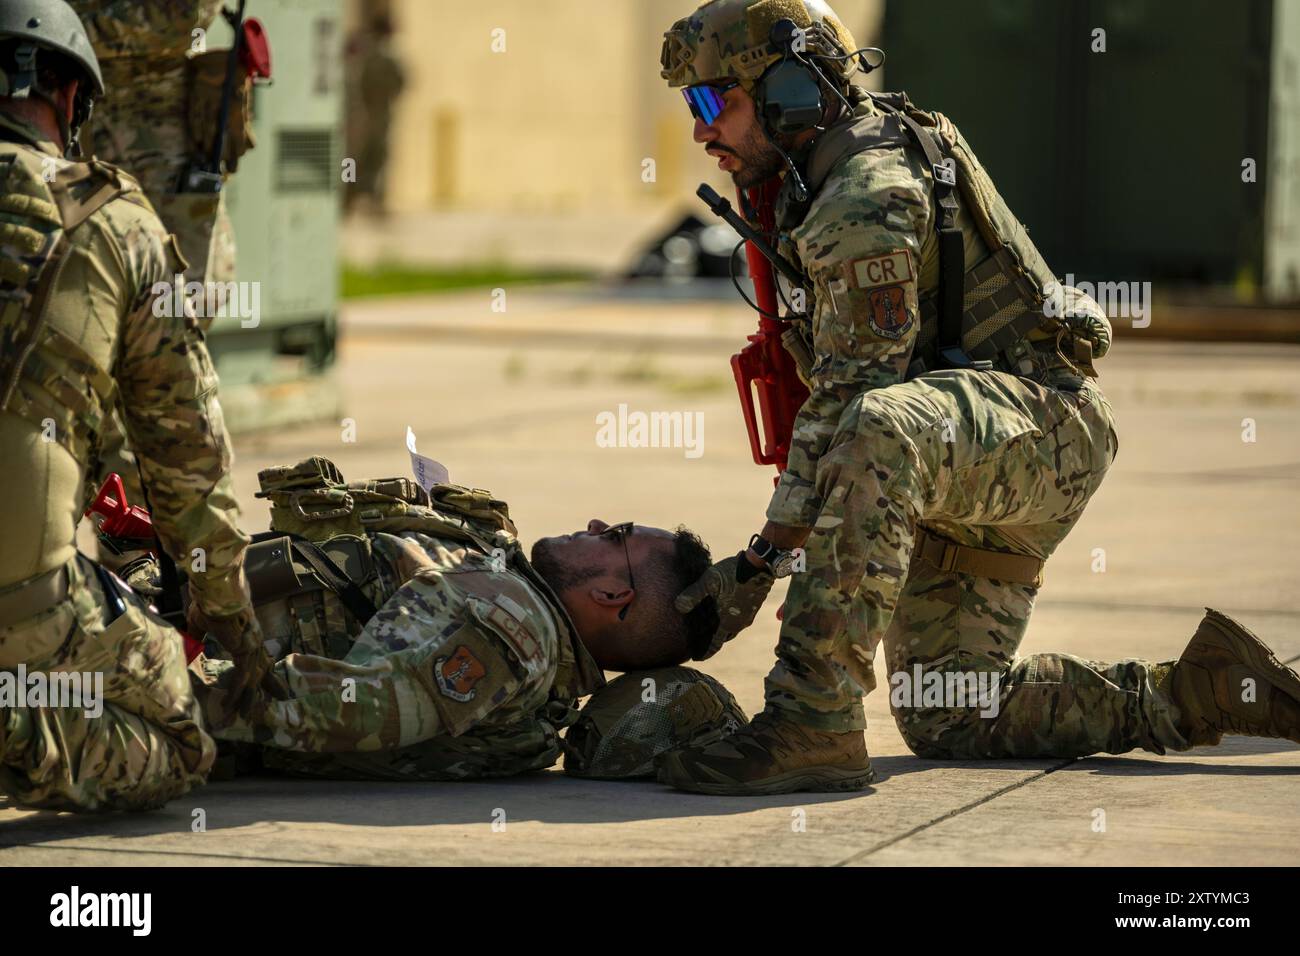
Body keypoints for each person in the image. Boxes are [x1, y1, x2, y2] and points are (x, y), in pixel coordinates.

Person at [655, 0, 1300, 795]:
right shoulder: (818, 175)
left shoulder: (864, 196)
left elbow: (854, 401)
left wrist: (756, 568)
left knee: (876, 426)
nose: (699, 131)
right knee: (948, 711)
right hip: (973, 447)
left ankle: (811, 721)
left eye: (715, 102)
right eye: (693, 107)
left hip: (1042, 429)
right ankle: (1201, 692)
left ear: (791, 90)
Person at [0, 0, 269, 812]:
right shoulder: (113, 220)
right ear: (71, 99)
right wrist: (237, 635)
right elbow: (187, 465)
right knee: (183, 738)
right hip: (22, 617)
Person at [195, 456, 720, 781]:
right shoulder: (513, 588)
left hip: (176, 651)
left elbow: (363, 707)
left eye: (615, 536)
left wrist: (168, 684)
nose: (596, 523)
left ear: (612, 594)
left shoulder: (514, 630)